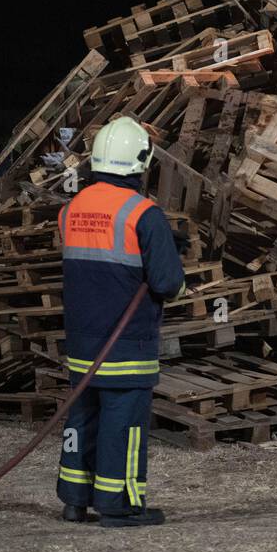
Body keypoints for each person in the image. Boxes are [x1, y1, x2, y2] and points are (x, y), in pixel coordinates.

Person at [56, 116, 186, 528]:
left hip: (82, 345)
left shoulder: (71, 210)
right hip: (126, 345)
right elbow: (167, 283)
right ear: (139, 163)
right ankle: (119, 505)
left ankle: (74, 500)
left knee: (83, 418)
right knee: (123, 424)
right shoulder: (144, 214)